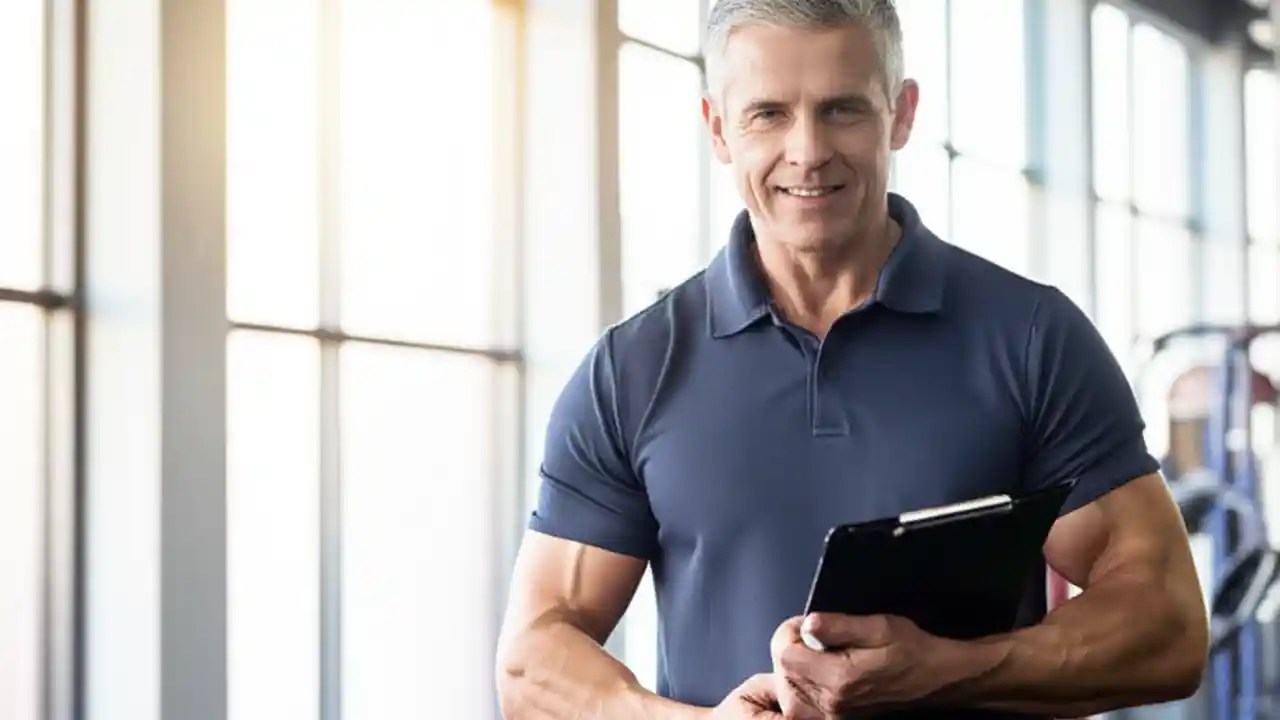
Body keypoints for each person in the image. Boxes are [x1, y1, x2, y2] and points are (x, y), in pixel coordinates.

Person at [495, 1, 1209, 717]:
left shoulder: (1030, 337)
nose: (807, 151)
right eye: (768, 114)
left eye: (842, 110)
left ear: (901, 113)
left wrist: (948, 670)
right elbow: (531, 662)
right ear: (718, 127)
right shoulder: (633, 369)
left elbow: (1168, 627)